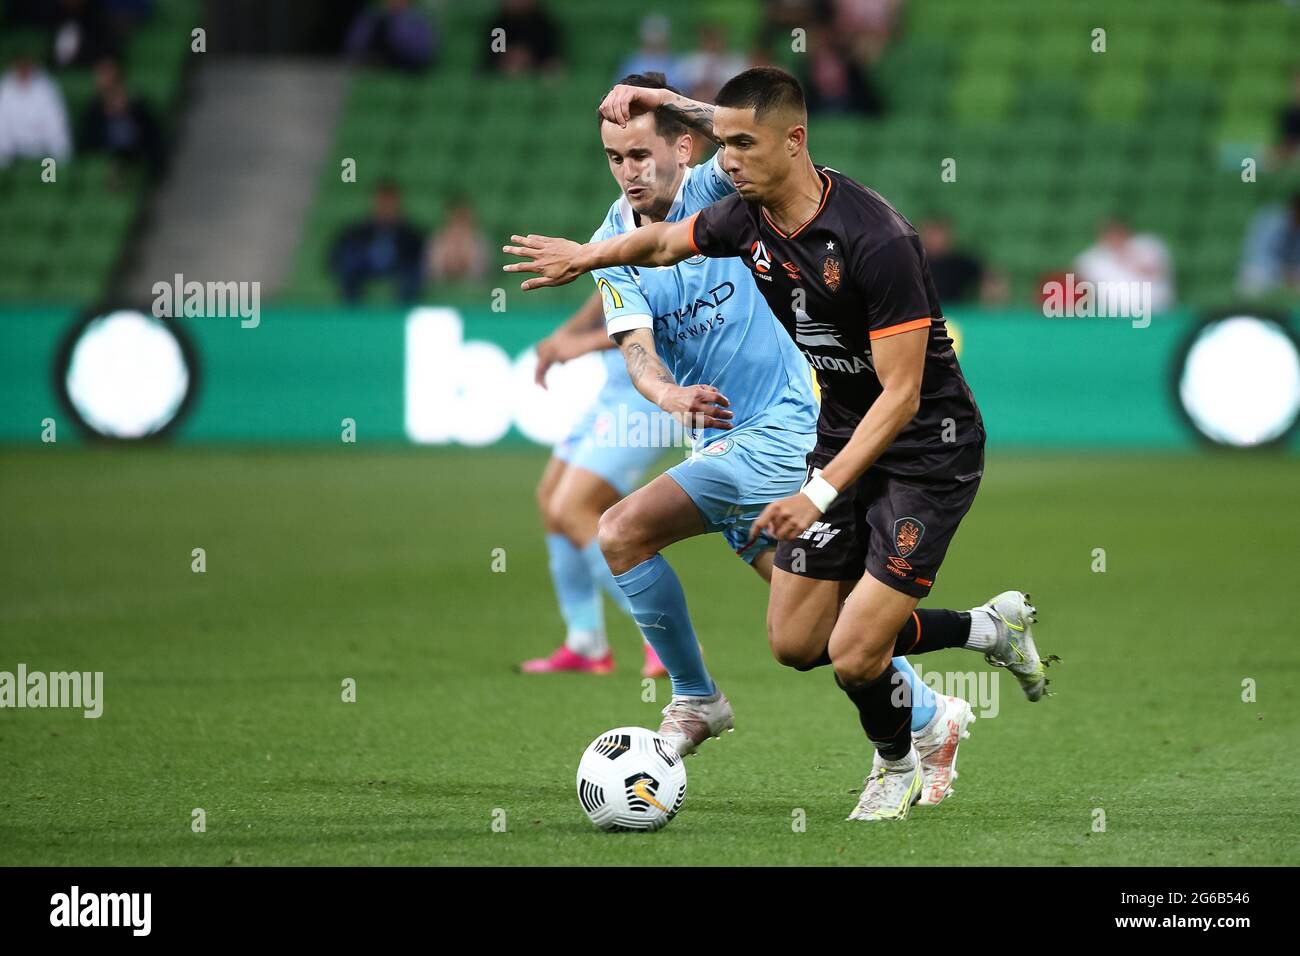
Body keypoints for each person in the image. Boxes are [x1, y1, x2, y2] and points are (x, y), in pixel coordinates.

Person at [505, 67, 1056, 821]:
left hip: (819, 437)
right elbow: (642, 317)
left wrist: (667, 102)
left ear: (681, 148)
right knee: (814, 638)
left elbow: (741, 126)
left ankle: (716, 707)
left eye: (642, 153)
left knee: (622, 529)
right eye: (613, 157)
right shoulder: (658, 228)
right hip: (764, 440)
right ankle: (965, 665)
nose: (629, 171)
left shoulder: (758, 198)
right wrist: (659, 381)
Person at [523, 290, 673, 678]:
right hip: (615, 391)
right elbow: (609, 287)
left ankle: (662, 637)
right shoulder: (620, 231)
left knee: (573, 507)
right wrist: (562, 337)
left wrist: (581, 344)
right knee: (551, 499)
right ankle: (585, 643)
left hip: (654, 394)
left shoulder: (675, 232)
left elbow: (664, 318)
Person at [328, 180, 425, 303]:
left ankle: (399, 316)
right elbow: (336, 255)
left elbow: (420, 256)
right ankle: (352, 317)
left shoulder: (411, 233)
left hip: (398, 267)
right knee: (349, 270)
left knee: (413, 275)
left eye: (390, 203)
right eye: (382, 202)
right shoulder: (356, 231)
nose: (386, 207)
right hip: (367, 267)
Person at [79, 58, 164, 178]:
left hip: (136, 163)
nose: (101, 81)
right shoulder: (94, 111)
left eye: (106, 75)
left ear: (118, 79)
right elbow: (87, 146)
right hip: (107, 165)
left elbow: (154, 141)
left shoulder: (139, 107)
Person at [1074, 216, 1174, 313]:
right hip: (1112, 316)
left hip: (1155, 309)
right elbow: (1077, 283)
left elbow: (1157, 272)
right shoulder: (1091, 258)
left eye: (1117, 232)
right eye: (1110, 233)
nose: (1114, 237)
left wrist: (1128, 257)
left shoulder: (1149, 245)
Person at [0, 53, 72, 166]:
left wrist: (60, 162)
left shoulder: (48, 87)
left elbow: (57, 129)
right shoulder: (4, 88)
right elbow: (2, 131)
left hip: (45, 157)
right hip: (14, 158)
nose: (23, 68)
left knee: (51, 177)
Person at [344, 0, 436, 73]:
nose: (394, 2)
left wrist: (395, 27)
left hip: (409, 61)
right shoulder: (375, 18)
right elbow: (355, 42)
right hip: (380, 61)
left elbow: (425, 51)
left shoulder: (416, 19)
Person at [1237, 192, 1300, 297]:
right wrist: (1281, 271)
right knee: (1252, 279)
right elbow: (1258, 254)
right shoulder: (1272, 220)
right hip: (1265, 270)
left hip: (1292, 273)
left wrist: (1292, 272)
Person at [426, 197, 489, 282]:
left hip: (472, 291)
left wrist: (465, 263)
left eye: (463, 217)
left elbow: (484, 274)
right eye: (456, 217)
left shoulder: (480, 240)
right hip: (441, 290)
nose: (459, 222)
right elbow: (431, 273)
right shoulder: (438, 239)